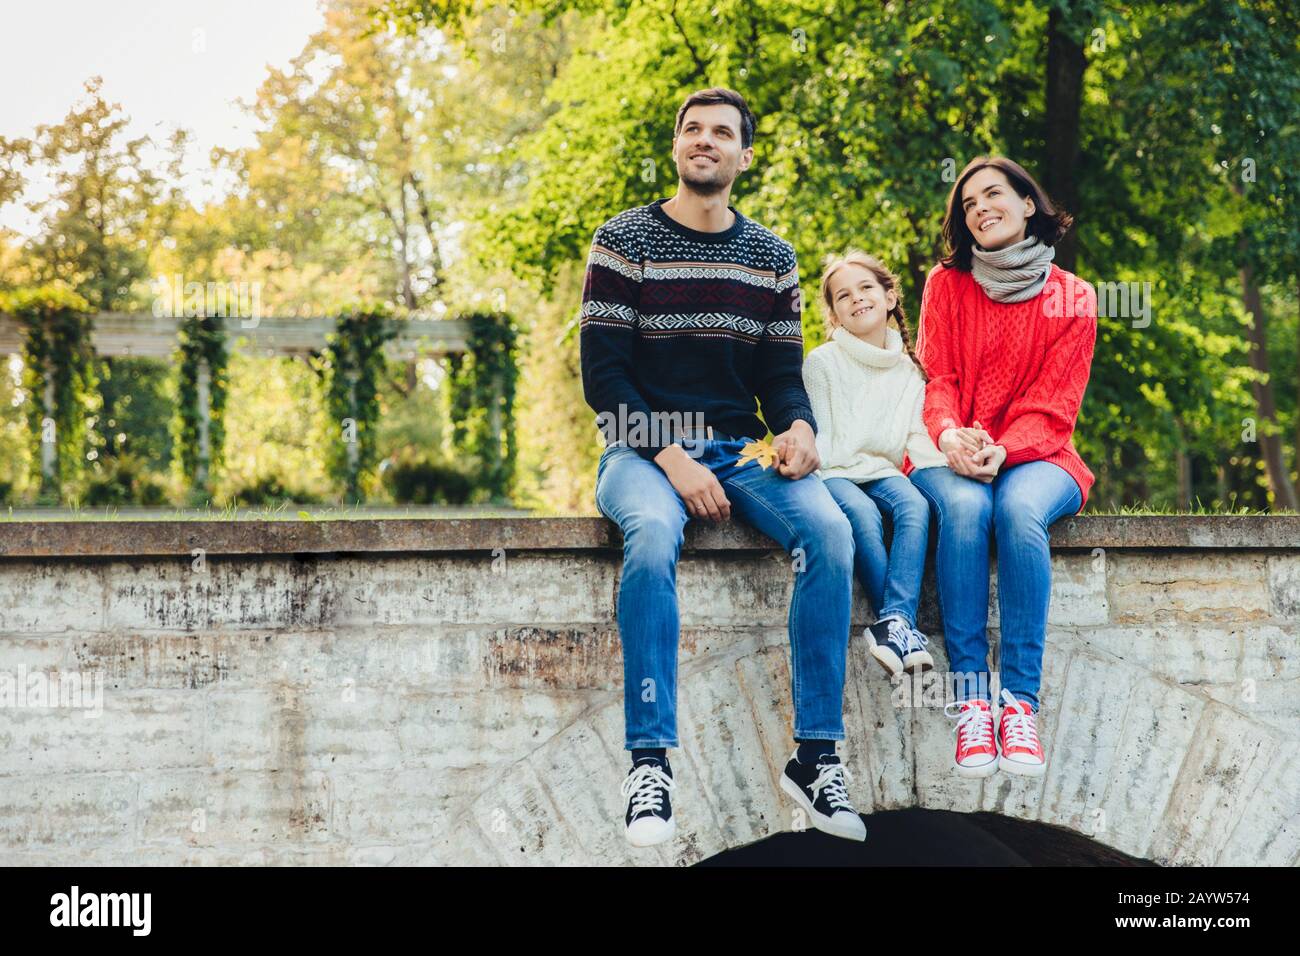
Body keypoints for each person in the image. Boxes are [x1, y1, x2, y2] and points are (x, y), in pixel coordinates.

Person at [582, 87, 865, 846]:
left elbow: (779, 377)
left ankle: (816, 755)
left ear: (744, 155)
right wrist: (672, 459)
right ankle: (650, 763)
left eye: (721, 133)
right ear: (676, 148)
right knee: (647, 537)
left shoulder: (772, 258)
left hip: (742, 454)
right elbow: (604, 383)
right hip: (643, 449)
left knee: (830, 535)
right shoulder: (623, 240)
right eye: (691, 130)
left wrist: (800, 428)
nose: (703, 141)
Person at [909, 156, 1097, 778]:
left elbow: (1055, 404)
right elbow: (940, 377)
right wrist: (950, 434)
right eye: (968, 204)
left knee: (1016, 509)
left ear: (1026, 203)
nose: (981, 208)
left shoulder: (1073, 297)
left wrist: (1003, 451)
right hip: (953, 448)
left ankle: (1018, 703)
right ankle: (971, 703)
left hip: (1040, 454)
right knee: (964, 508)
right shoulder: (946, 284)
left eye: (993, 195)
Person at [804, 250, 947, 678]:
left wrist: (958, 454)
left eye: (866, 288)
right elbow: (823, 437)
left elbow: (915, 440)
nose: (856, 299)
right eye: (842, 296)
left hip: (883, 471)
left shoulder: (910, 371)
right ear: (835, 315)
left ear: (889, 297)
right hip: (835, 472)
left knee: (914, 506)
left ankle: (894, 622)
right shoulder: (821, 363)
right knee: (863, 516)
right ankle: (901, 625)